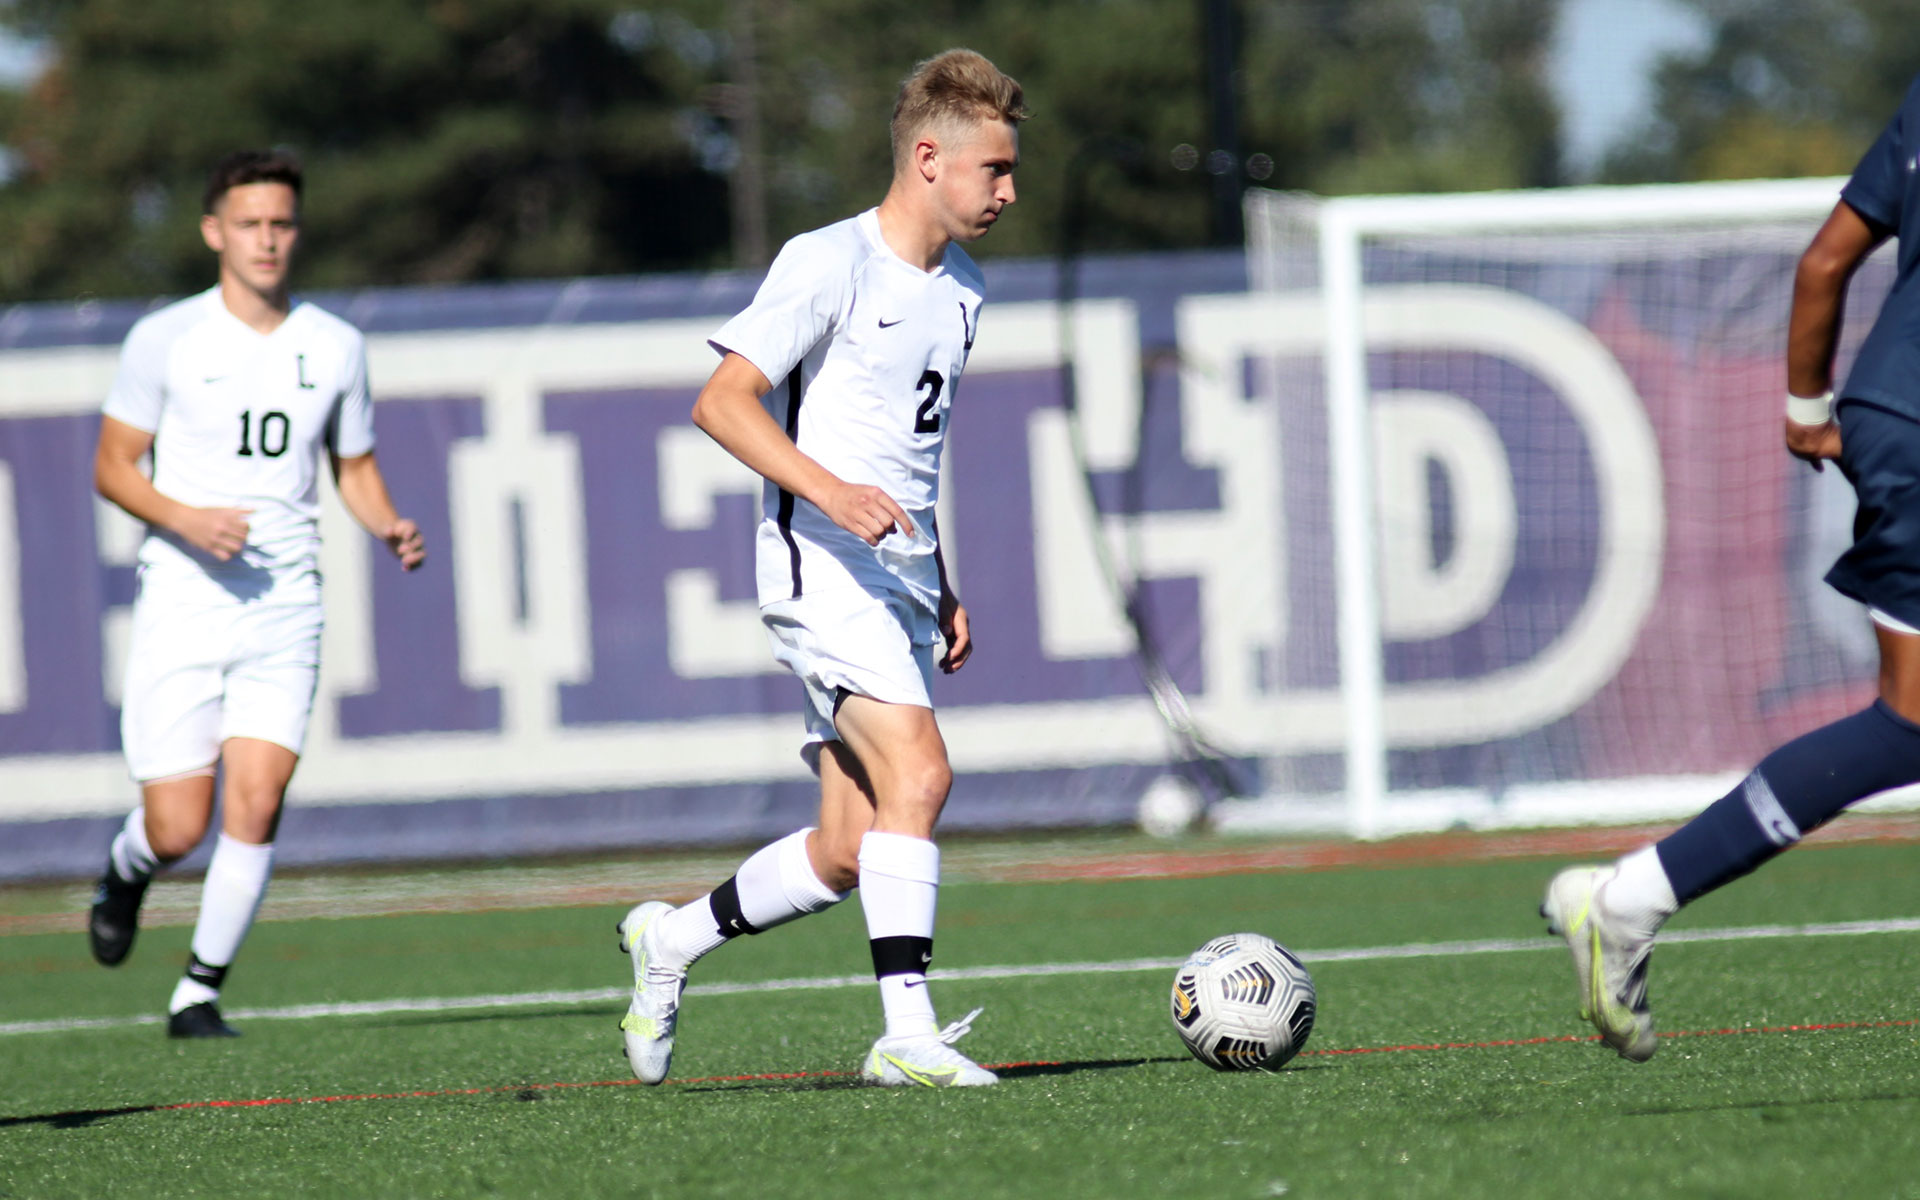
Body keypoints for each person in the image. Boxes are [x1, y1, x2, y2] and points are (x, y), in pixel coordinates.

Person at [615, 49, 1025, 1088]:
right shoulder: (827, 261)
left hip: (897, 580)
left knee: (848, 848)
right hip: (815, 561)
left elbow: (910, 457)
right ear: (929, 157)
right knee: (923, 774)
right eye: (995, 170)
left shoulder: (965, 289)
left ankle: (668, 943)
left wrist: (945, 580)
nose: (1009, 191)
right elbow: (721, 402)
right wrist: (831, 494)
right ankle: (905, 1035)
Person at [1543, 76, 1920, 1062]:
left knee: (1911, 718)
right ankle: (1629, 898)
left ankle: (1627, 899)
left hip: (1888, 413)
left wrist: (1807, 411)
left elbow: (1826, 261)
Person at [87, 149, 425, 1038]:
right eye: (250, 224)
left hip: (286, 602)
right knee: (176, 826)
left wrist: (386, 523)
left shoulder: (335, 344)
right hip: (185, 600)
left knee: (259, 796)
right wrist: (186, 517)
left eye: (281, 223)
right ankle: (127, 869)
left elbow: (352, 466)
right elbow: (112, 467)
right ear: (214, 233)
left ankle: (198, 991)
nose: (268, 240)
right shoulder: (165, 339)